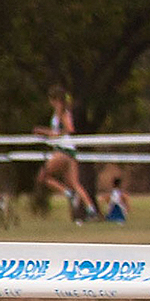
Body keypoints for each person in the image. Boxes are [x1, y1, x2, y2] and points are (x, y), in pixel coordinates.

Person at [35, 86, 95, 221]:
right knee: (74, 182)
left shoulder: (63, 113)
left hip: (63, 150)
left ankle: (68, 193)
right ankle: (90, 208)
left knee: (43, 177)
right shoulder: (58, 113)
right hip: (69, 150)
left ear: (55, 100)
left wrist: (48, 133)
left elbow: (69, 129)